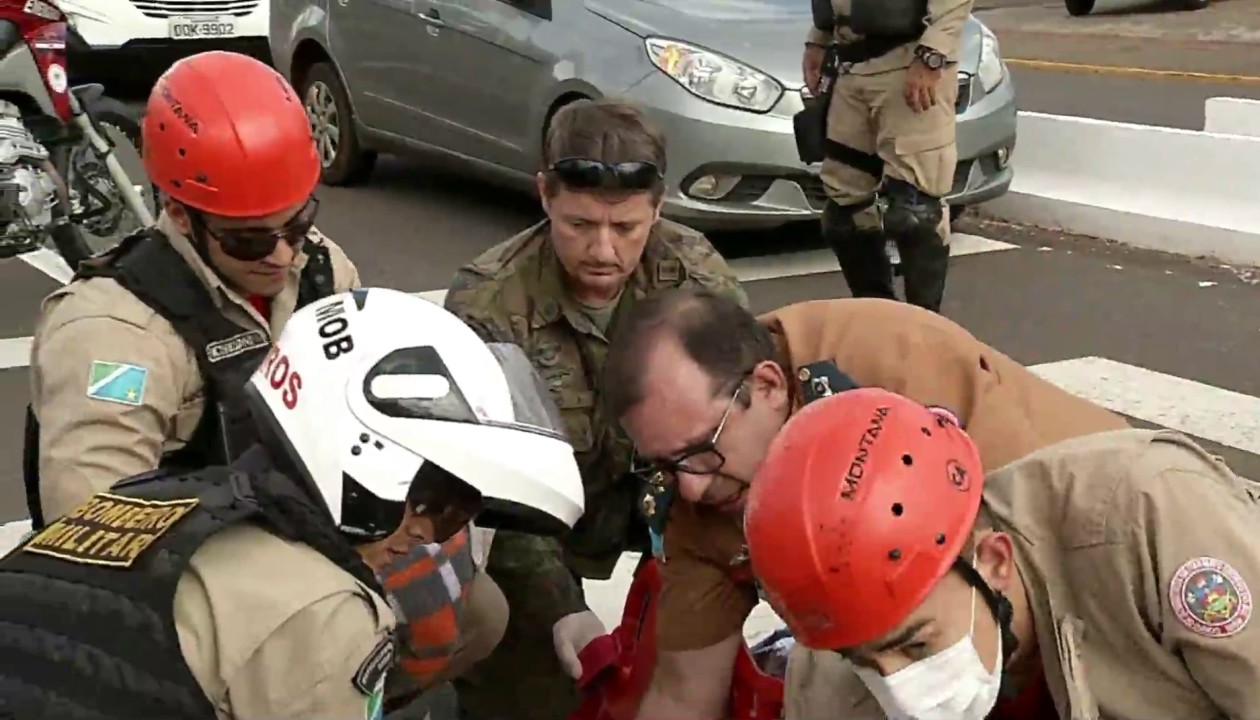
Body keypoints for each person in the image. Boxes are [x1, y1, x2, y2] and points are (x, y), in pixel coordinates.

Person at [0, 288, 586, 719]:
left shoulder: (168, 498)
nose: (432, 535)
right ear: (365, 458)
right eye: (439, 503)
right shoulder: (323, 610)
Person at [598, 289, 1130, 719]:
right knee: (826, 682)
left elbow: (1021, 554)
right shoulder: (694, 503)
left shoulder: (888, 369)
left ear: (768, 386)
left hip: (1092, 571)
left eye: (701, 450)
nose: (690, 486)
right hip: (924, 642)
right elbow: (683, 695)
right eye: (665, 466)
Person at [443, 98, 748, 719]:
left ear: (658, 208)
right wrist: (562, 610)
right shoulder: (488, 307)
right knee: (530, 688)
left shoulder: (699, 284)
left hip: (667, 504)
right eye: (580, 224)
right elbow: (484, 500)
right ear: (545, 196)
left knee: (691, 680)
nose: (603, 250)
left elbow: (742, 443)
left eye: (627, 228)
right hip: (535, 526)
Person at [746, 388, 1260, 720]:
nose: (905, 694)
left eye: (915, 646)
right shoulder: (830, 669)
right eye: (863, 663)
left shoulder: (1146, 517)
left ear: (993, 561)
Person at [24, 50, 359, 528]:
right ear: (181, 215)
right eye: (249, 239)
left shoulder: (322, 268)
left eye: (299, 222)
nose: (283, 256)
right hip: (193, 573)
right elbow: (94, 534)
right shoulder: (111, 334)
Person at [801, 0, 972, 311]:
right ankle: (879, 317)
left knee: (914, 212)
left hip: (909, 63)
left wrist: (932, 56)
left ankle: (925, 328)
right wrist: (819, 39)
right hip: (851, 67)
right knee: (844, 210)